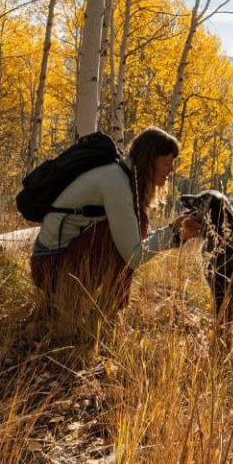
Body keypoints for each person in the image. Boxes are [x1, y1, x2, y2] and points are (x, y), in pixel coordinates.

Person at [29, 126, 198, 321]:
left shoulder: (119, 177)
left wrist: (176, 233)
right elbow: (134, 255)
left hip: (57, 262)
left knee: (134, 227)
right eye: (167, 163)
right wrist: (171, 232)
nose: (172, 170)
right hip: (50, 268)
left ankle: (99, 313)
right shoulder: (117, 183)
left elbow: (136, 243)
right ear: (149, 161)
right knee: (127, 237)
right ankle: (105, 316)